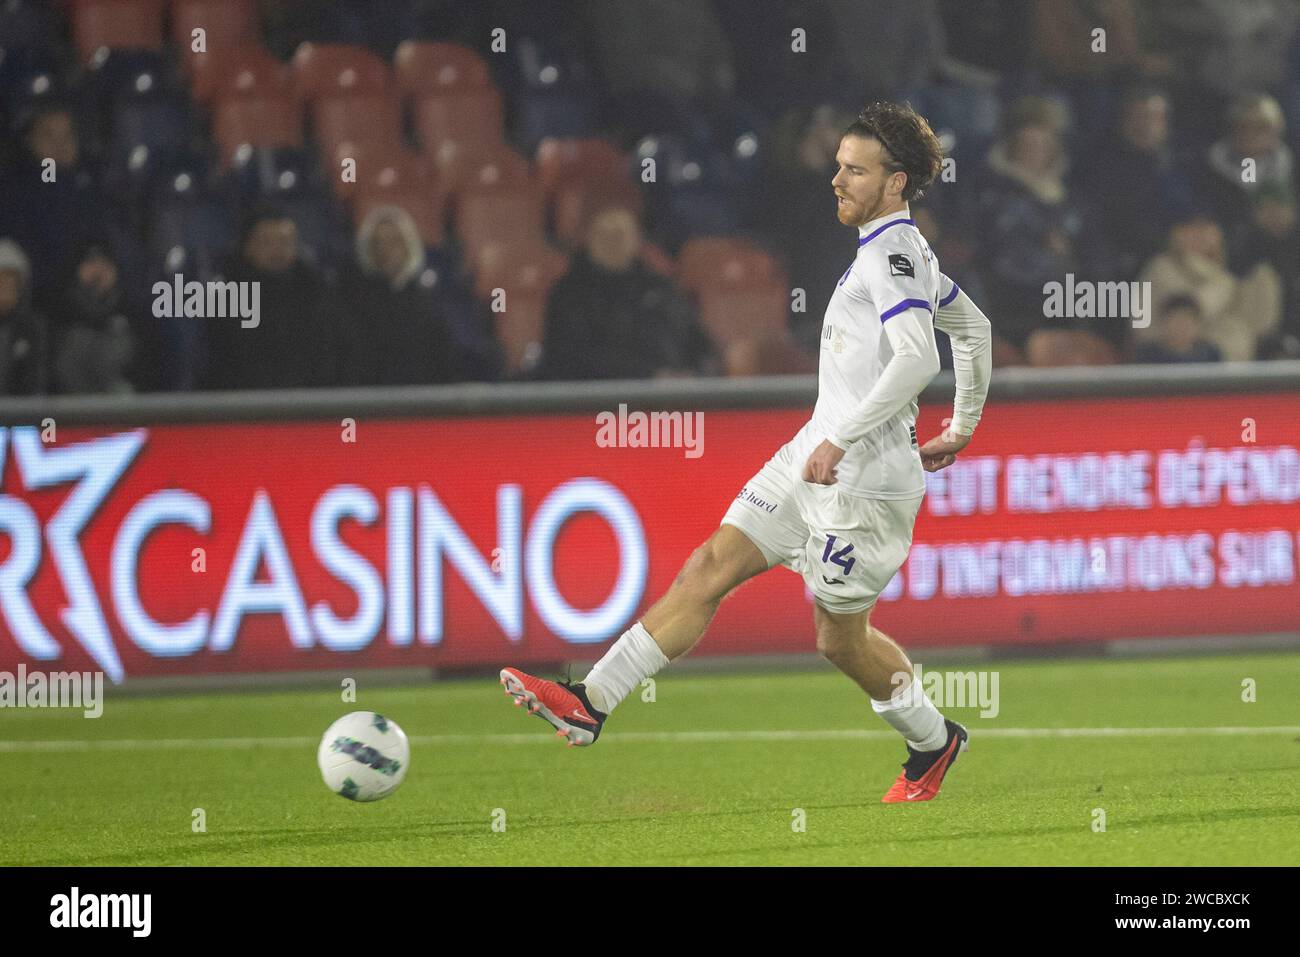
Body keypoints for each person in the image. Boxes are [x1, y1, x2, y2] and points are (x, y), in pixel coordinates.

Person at [501, 102, 994, 804]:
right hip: (817, 455)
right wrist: (964, 423)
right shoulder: (901, 250)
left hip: (864, 486)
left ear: (896, 184)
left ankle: (933, 739)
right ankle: (591, 701)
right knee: (710, 565)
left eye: (855, 170)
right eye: (838, 166)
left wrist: (845, 437)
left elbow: (918, 359)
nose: (837, 180)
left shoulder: (890, 254)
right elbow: (972, 327)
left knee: (838, 639)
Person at [539, 206, 714, 381]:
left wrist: (696, 374)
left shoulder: (660, 289)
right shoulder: (570, 294)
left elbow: (701, 346)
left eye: (622, 235)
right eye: (607, 235)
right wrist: (649, 376)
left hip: (670, 399)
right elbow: (570, 360)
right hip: (598, 401)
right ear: (591, 239)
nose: (615, 241)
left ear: (636, 240)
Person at [202, 204, 337, 390]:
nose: (277, 250)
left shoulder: (314, 290)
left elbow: (327, 356)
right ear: (248, 247)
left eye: (285, 242)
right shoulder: (226, 297)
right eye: (267, 242)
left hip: (307, 404)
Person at [335, 205, 465, 386]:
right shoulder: (354, 303)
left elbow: (441, 364)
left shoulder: (429, 305)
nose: (387, 250)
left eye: (395, 241)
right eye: (379, 243)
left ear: (408, 246)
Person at [0, 238, 48, 395]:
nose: (5, 291)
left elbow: (36, 381)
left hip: (20, 416)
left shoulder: (33, 330)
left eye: (11, 284)